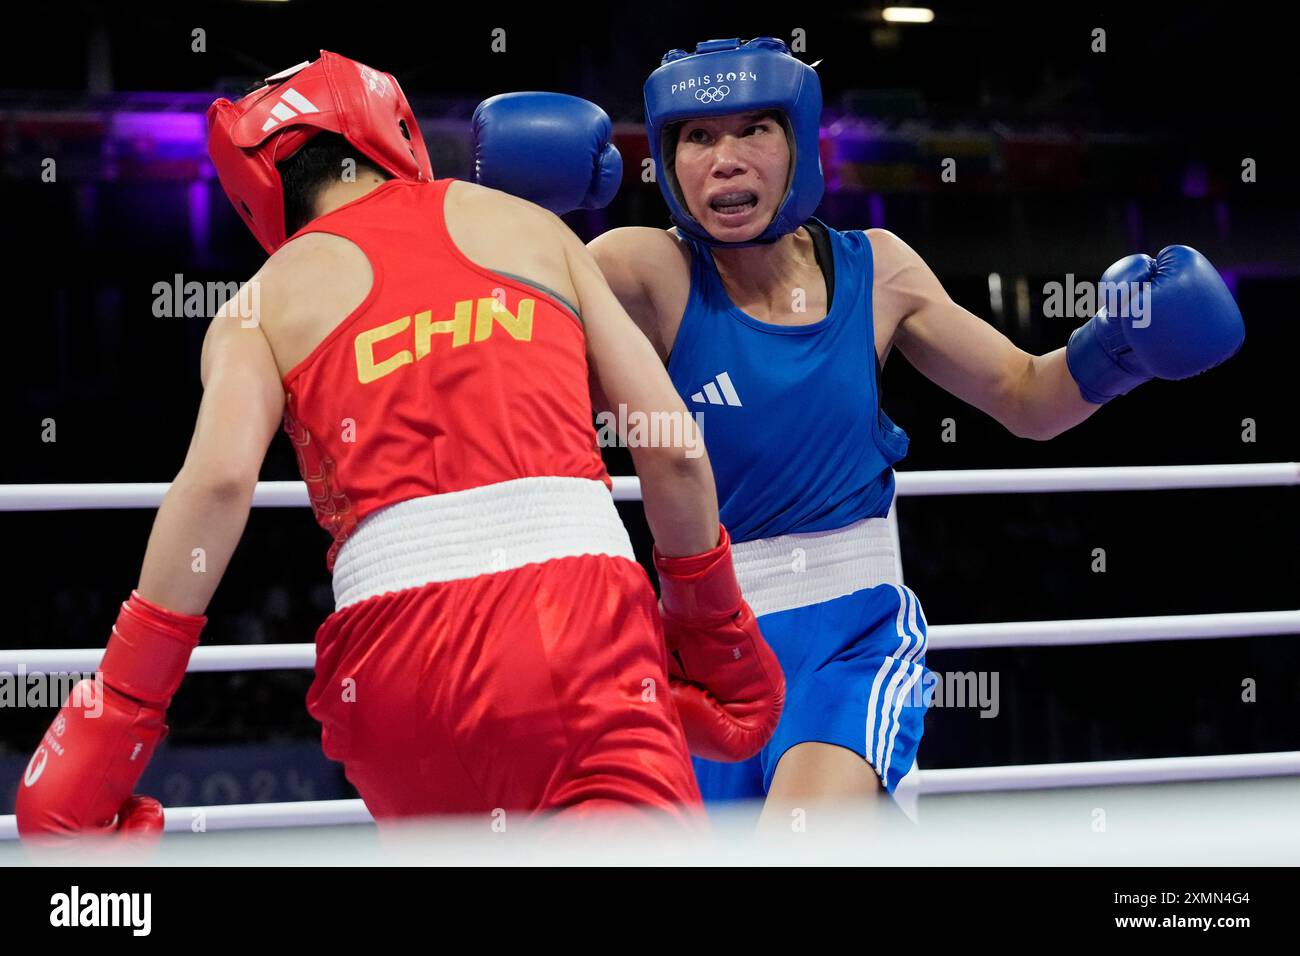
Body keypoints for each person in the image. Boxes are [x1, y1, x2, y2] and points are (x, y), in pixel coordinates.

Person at [471, 36, 1245, 825]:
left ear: (799, 142)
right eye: (697, 136)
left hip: (851, 631)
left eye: (754, 131)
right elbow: (493, 335)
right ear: (667, 160)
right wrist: (517, 215)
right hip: (699, 653)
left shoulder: (879, 270)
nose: (725, 159)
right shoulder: (643, 268)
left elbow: (1026, 396)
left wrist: (1119, 348)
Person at [15, 51, 784, 844]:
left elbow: (213, 489)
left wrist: (120, 706)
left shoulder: (258, 305)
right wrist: (711, 624)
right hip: (572, 632)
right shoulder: (528, 228)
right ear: (394, 130)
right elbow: (672, 448)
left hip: (388, 671)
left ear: (258, 187)